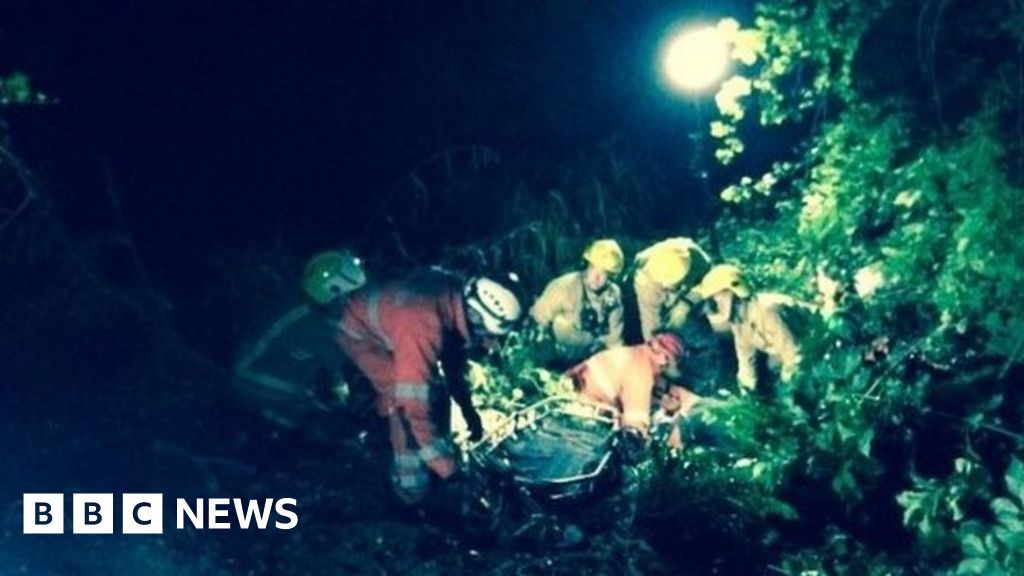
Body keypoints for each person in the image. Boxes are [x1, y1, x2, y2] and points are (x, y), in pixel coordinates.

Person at [336, 267, 523, 504]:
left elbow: (452, 357)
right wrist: (448, 471)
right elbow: (410, 408)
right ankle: (410, 490)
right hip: (361, 334)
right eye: (487, 333)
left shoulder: (455, 300)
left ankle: (431, 455)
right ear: (476, 316)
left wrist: (468, 411)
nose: (489, 342)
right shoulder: (422, 323)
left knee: (433, 392)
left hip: (392, 321)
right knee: (399, 397)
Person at [233, 249, 367, 431]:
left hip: (258, 381)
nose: (351, 303)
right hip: (261, 385)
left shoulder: (303, 307)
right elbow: (335, 366)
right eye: (349, 296)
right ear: (332, 291)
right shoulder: (312, 321)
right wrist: (342, 397)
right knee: (330, 433)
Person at [693, 263, 814, 391]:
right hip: (804, 352)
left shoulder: (766, 309)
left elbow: (793, 353)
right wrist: (745, 395)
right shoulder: (740, 324)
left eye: (716, 299)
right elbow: (746, 364)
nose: (715, 305)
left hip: (821, 341)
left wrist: (788, 389)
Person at [529, 239, 625, 364]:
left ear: (612, 276)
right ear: (586, 266)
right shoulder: (564, 286)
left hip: (590, 356)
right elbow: (538, 318)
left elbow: (614, 340)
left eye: (604, 273)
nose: (597, 277)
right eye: (594, 268)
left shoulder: (613, 295)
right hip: (558, 351)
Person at [632, 237, 713, 341]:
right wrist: (654, 346)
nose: (667, 286)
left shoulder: (697, 258)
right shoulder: (645, 281)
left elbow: (711, 280)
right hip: (655, 294)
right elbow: (650, 321)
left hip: (691, 296)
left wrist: (688, 302)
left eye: (673, 283)